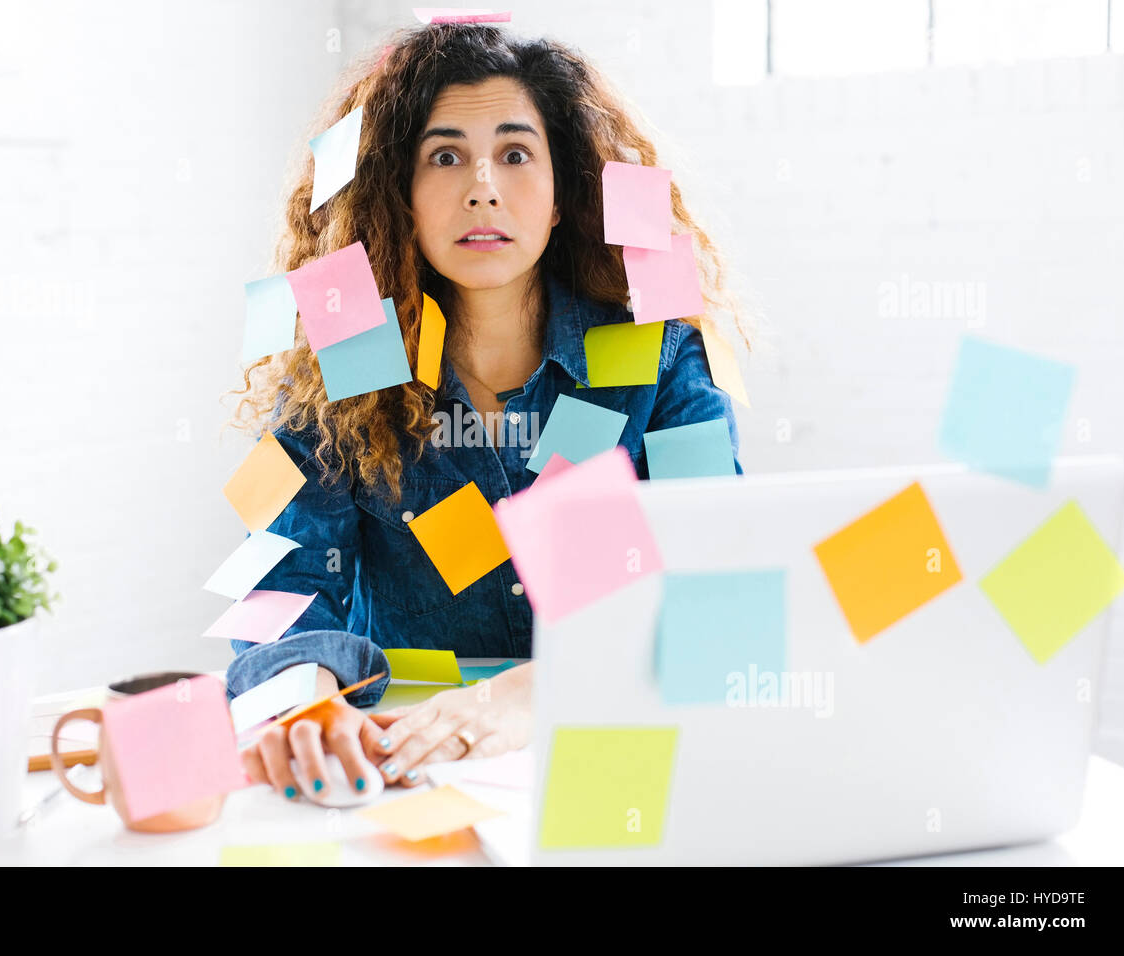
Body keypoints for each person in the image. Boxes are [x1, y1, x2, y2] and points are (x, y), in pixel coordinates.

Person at [223, 23, 751, 802]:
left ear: (566, 193)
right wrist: (299, 699)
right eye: (444, 156)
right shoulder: (338, 370)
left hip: (615, 750)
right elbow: (280, 582)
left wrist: (530, 692)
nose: (482, 186)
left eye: (514, 153)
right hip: (407, 766)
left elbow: (719, 577)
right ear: (396, 191)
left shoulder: (660, 350)